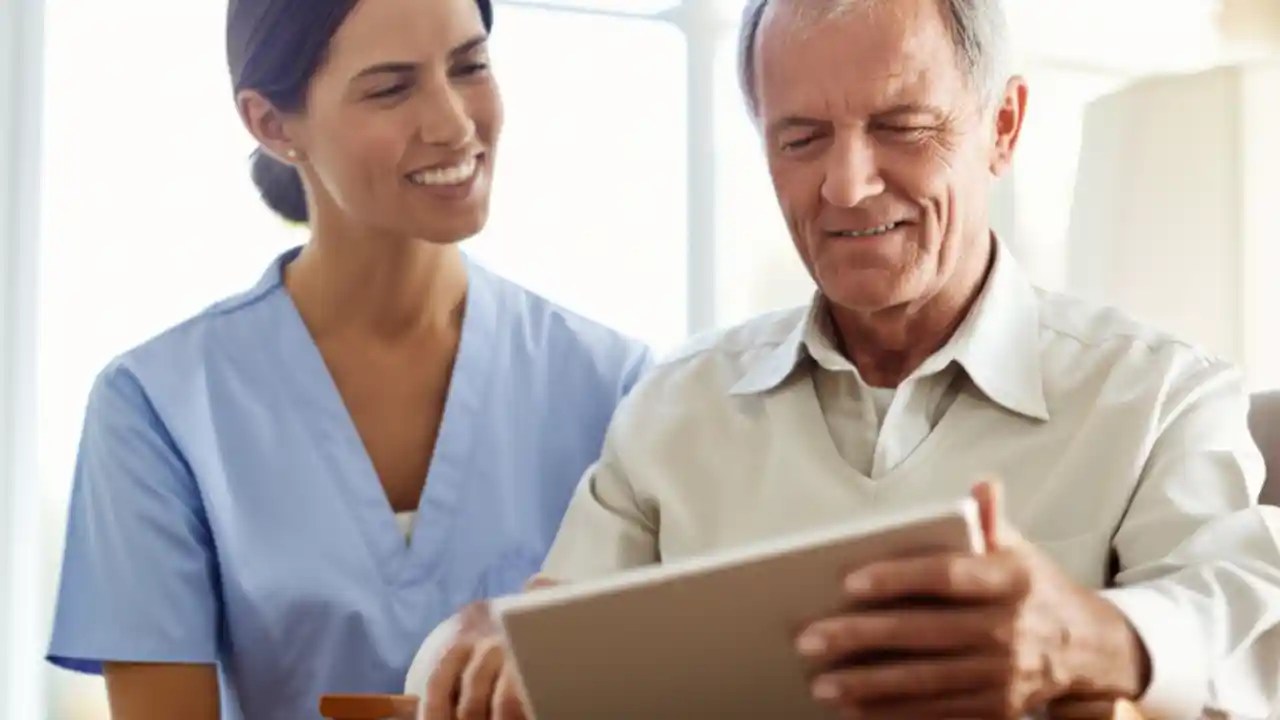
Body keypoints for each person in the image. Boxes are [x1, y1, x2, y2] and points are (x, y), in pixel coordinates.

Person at [412, 0, 1280, 718]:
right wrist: (482, 641)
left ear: (1002, 127)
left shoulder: (1159, 394)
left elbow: (1234, 624)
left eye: (902, 126)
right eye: (800, 140)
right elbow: (540, 638)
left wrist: (1084, 639)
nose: (846, 185)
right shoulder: (677, 406)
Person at [44, 0, 651, 718]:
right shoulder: (156, 408)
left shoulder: (613, 386)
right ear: (272, 124)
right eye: (391, 88)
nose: (454, 123)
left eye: (470, 66)